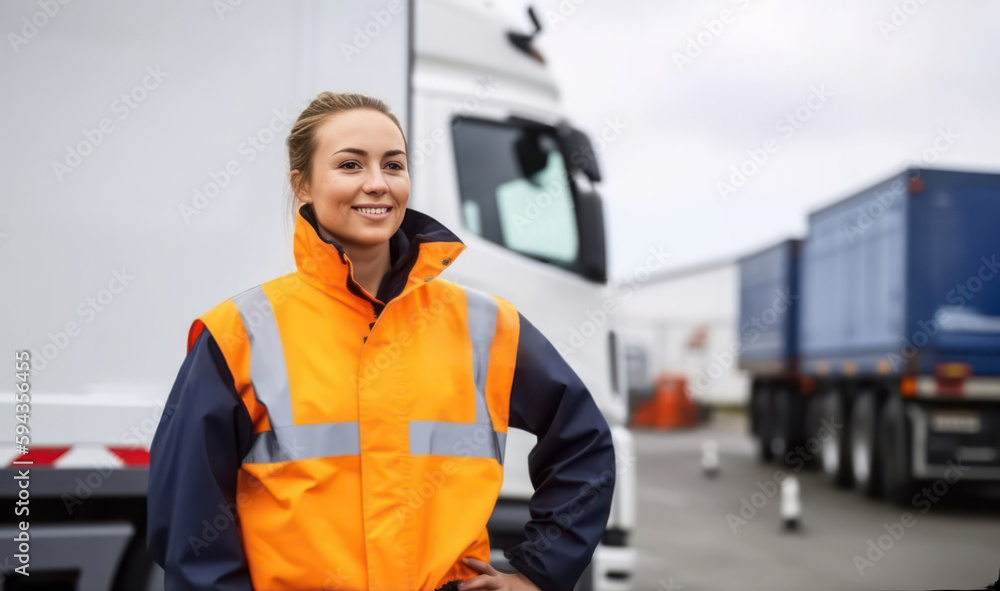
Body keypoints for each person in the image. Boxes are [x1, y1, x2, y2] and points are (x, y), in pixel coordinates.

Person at [147, 91, 616, 591]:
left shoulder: (485, 324)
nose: (377, 183)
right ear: (301, 185)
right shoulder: (239, 331)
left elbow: (584, 444)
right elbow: (187, 519)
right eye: (350, 165)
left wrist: (537, 573)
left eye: (393, 164)